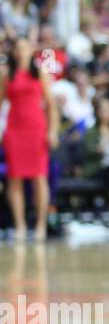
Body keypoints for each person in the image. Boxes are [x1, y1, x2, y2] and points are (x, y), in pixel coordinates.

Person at [1, 38, 59, 241]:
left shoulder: (41, 73)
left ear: (31, 50)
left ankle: (41, 224)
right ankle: (20, 226)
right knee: (14, 179)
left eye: (24, 47)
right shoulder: (6, 74)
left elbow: (51, 104)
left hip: (36, 129)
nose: (20, 51)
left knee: (39, 177)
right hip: (14, 130)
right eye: (17, 48)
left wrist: (52, 131)